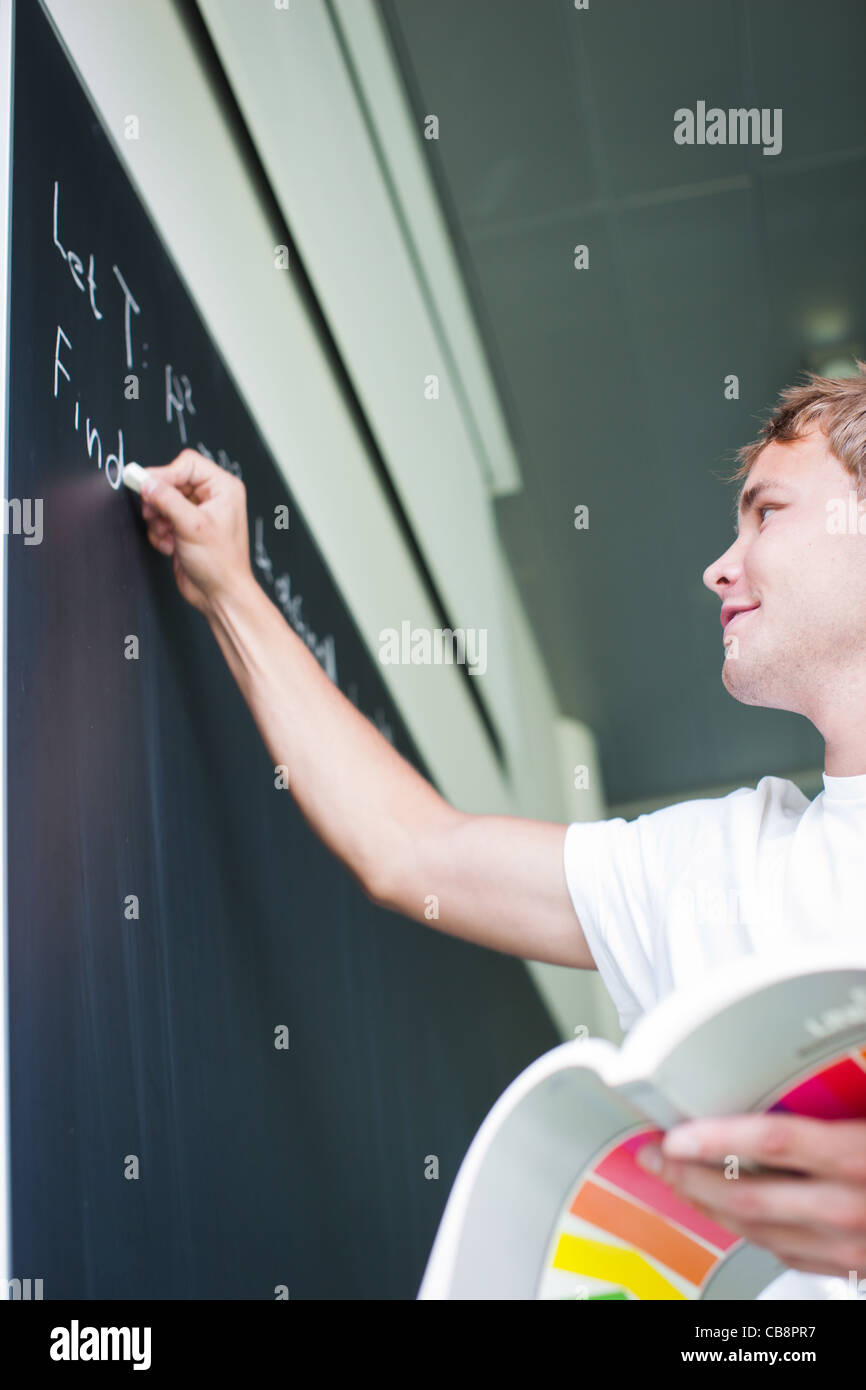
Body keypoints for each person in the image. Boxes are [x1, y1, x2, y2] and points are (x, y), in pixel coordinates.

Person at [135, 364, 866, 1301]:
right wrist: (230, 591)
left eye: (767, 513)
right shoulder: (717, 862)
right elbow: (411, 852)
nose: (719, 567)